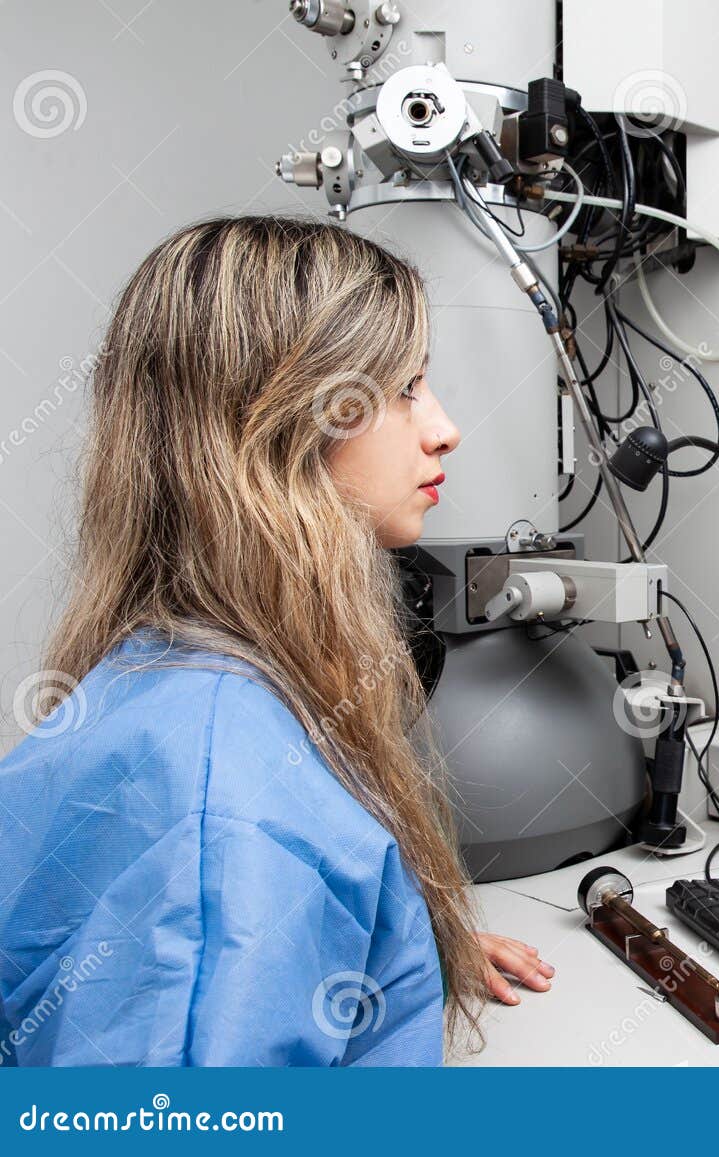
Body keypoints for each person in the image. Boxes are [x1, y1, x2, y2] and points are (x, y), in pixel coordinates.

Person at [0, 216, 554, 1065]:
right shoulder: (225, 811)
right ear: (281, 423)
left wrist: (385, 950)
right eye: (404, 388)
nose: (443, 429)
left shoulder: (169, 672)